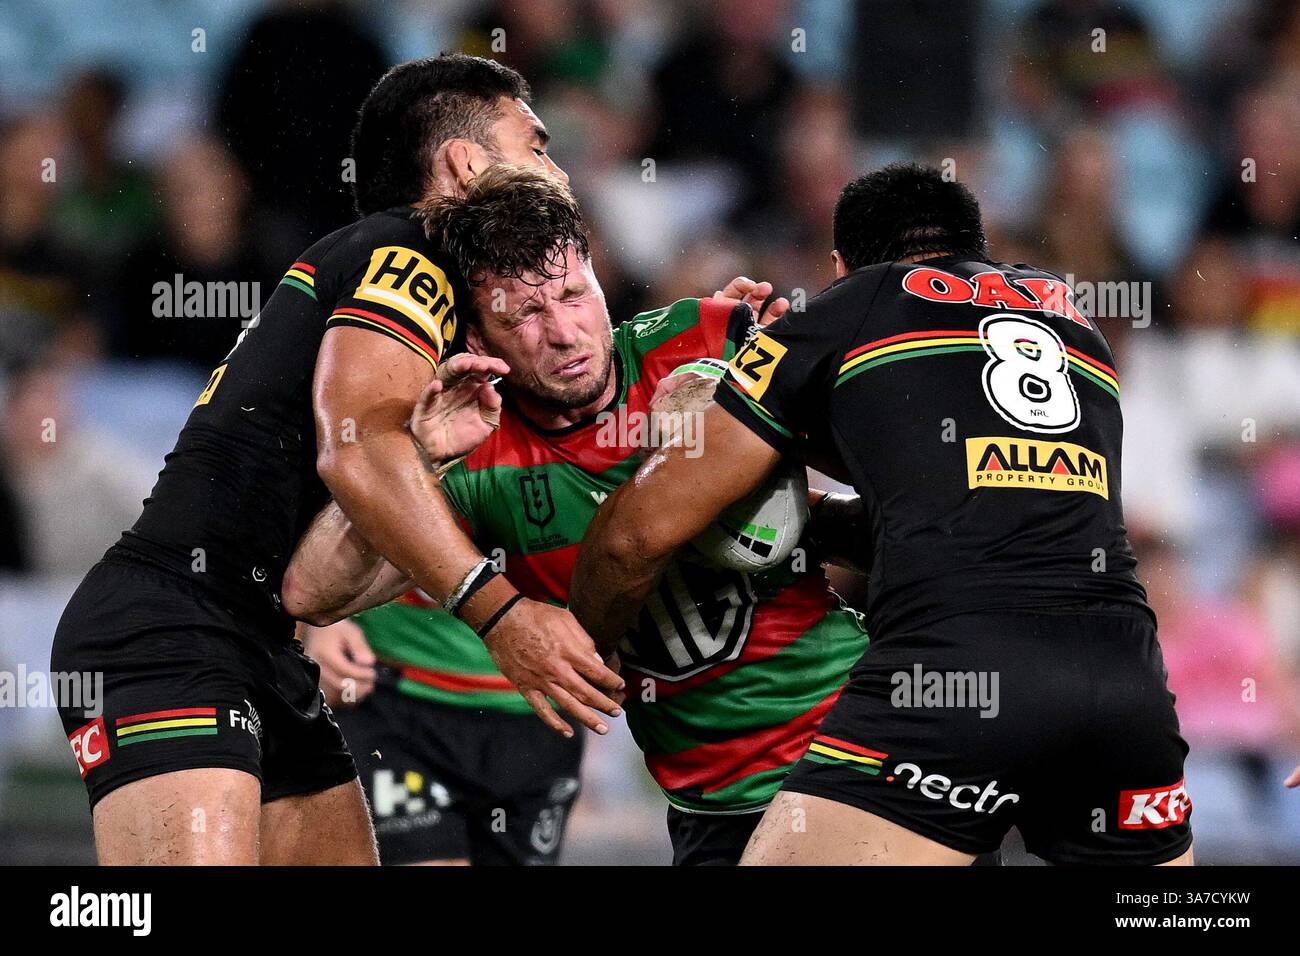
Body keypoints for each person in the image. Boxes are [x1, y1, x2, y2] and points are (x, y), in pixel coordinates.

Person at [50, 54, 621, 865]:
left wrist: (424, 456)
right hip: (169, 631)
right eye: (536, 144)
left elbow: (314, 590)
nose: (557, 170)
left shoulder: (447, 319)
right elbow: (357, 454)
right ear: (464, 162)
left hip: (265, 640)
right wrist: (502, 616)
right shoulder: (411, 252)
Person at [570, 162, 1195, 866]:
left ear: (841, 265)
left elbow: (636, 536)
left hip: (957, 675)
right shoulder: (1077, 324)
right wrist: (814, 517)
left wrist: (583, 653)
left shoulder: (852, 305)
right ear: (974, 246)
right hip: (1126, 682)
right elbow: (961, 507)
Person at [283, 165, 871, 865]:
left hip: (849, 745)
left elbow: (886, 465)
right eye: (523, 317)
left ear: (599, 281)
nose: (564, 333)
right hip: (710, 801)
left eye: (572, 294)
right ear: (476, 335)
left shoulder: (707, 339)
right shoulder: (480, 451)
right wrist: (419, 457)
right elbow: (313, 592)